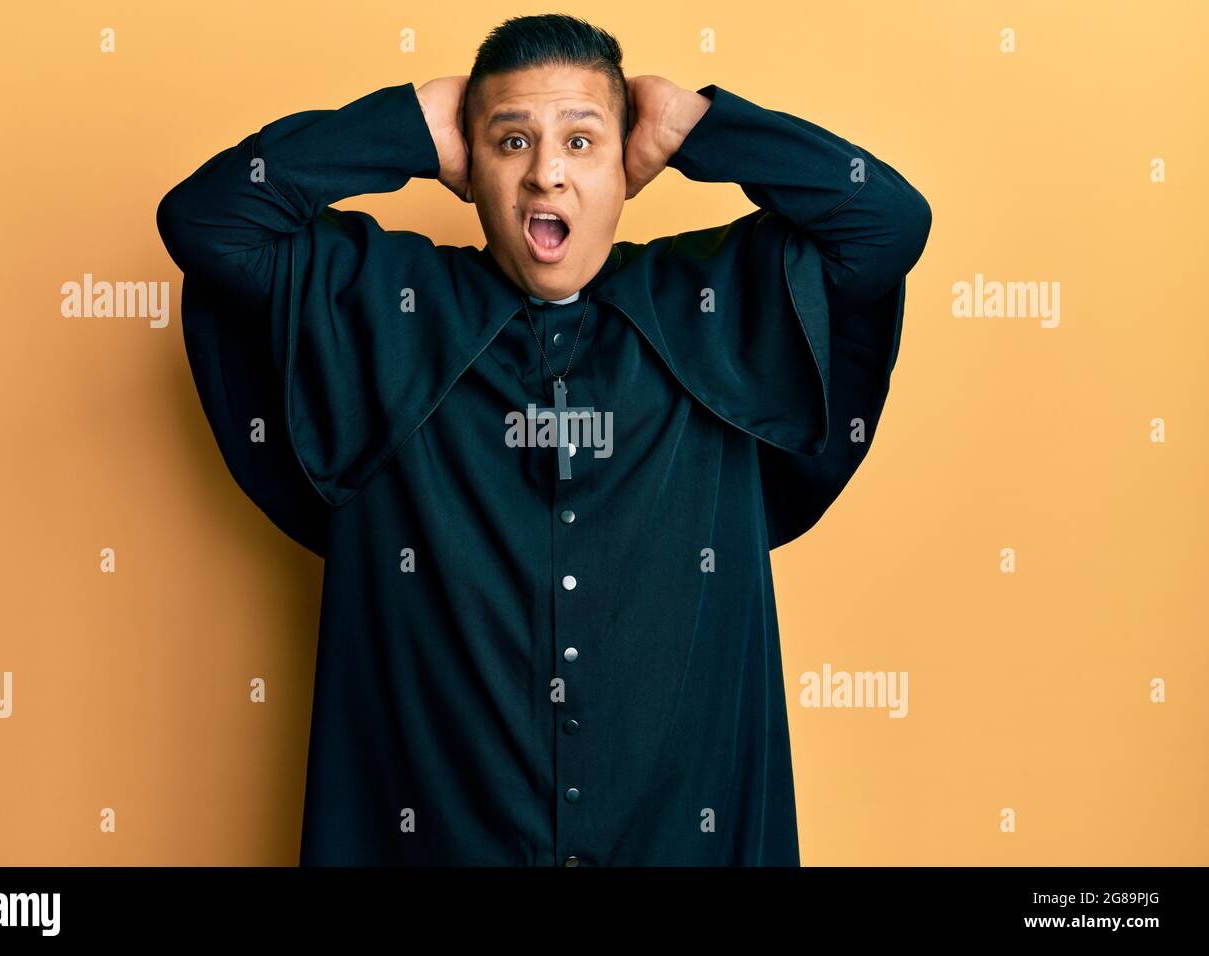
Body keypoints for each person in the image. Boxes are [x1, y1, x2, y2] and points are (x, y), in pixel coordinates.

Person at [156, 13, 931, 866]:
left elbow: (887, 223)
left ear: (628, 168)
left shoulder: (718, 303)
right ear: (468, 168)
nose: (546, 175)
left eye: (582, 141)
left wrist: (692, 125)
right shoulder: (379, 306)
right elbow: (205, 221)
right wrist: (406, 124)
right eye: (512, 141)